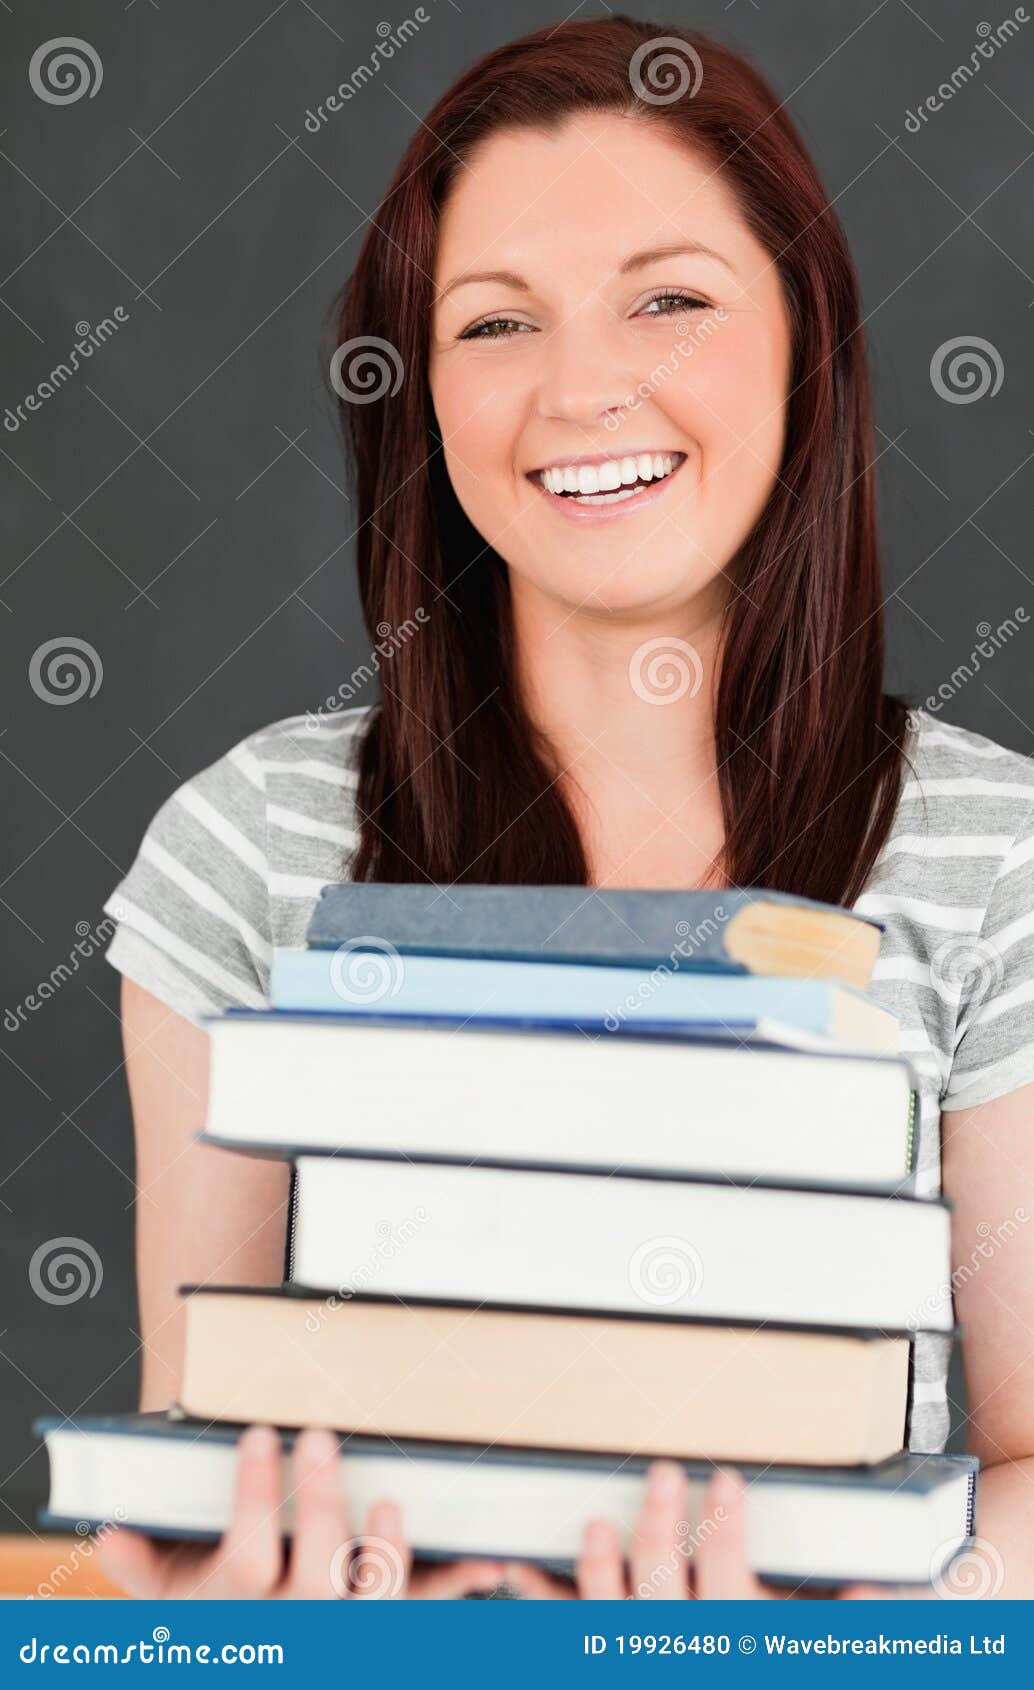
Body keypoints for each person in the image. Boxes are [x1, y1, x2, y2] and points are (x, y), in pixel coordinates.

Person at [98, 18, 1034, 1599]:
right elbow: (204, 1446)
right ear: (420, 389)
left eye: (668, 300)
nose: (580, 389)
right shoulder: (245, 847)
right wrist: (236, 1602)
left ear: (806, 338)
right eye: (492, 323)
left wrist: (841, 1629)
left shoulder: (995, 858)